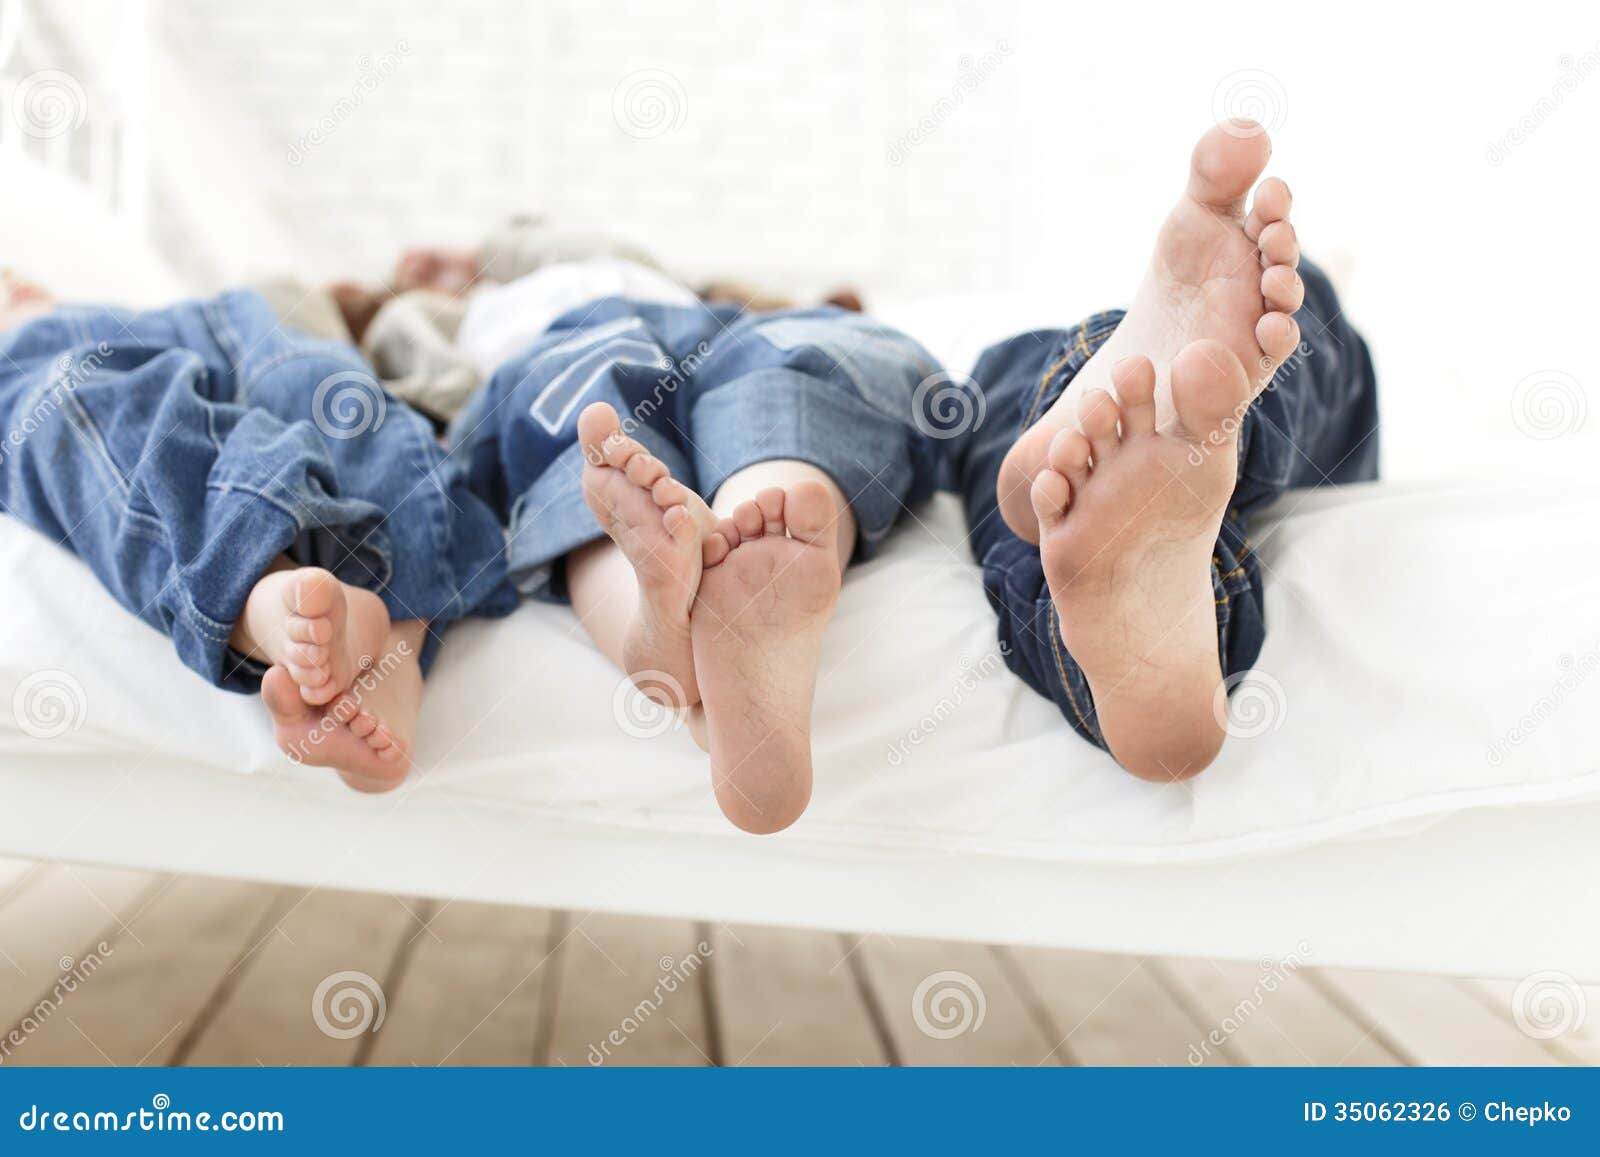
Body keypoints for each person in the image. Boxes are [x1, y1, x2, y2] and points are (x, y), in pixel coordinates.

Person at [953, 120, 1378, 780]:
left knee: (1033, 512)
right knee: (1313, 339)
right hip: (1060, 395)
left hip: (996, 399)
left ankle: (1147, 409)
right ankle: (1201, 413)